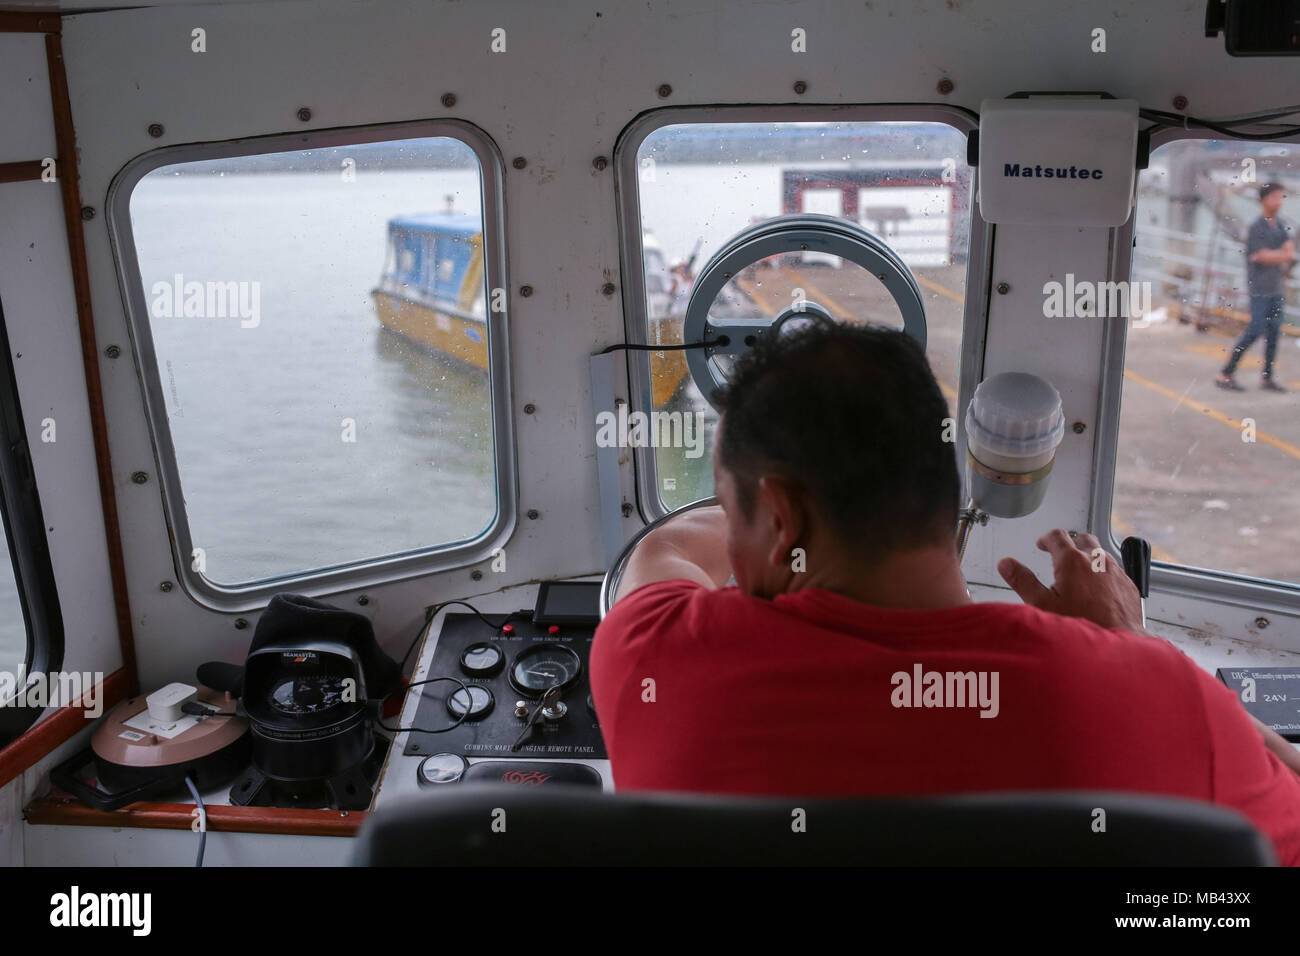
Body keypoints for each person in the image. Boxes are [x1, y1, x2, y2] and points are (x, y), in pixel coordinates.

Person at [591, 321, 1300, 865]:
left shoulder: (649, 656)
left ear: (782, 520)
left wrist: (767, 505)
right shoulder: (1165, 700)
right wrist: (1130, 647)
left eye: (729, 505)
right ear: (943, 488)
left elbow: (669, 546)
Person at [1217, 182, 1295, 392]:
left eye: (1281, 197)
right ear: (1263, 200)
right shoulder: (1256, 228)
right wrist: (1278, 256)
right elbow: (1259, 256)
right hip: (1259, 289)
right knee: (1255, 329)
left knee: (1274, 333)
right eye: (1275, 197)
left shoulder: (1280, 225)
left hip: (1276, 289)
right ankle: (1226, 373)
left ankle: (1267, 378)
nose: (1279, 202)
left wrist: (1273, 256)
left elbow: (1289, 253)